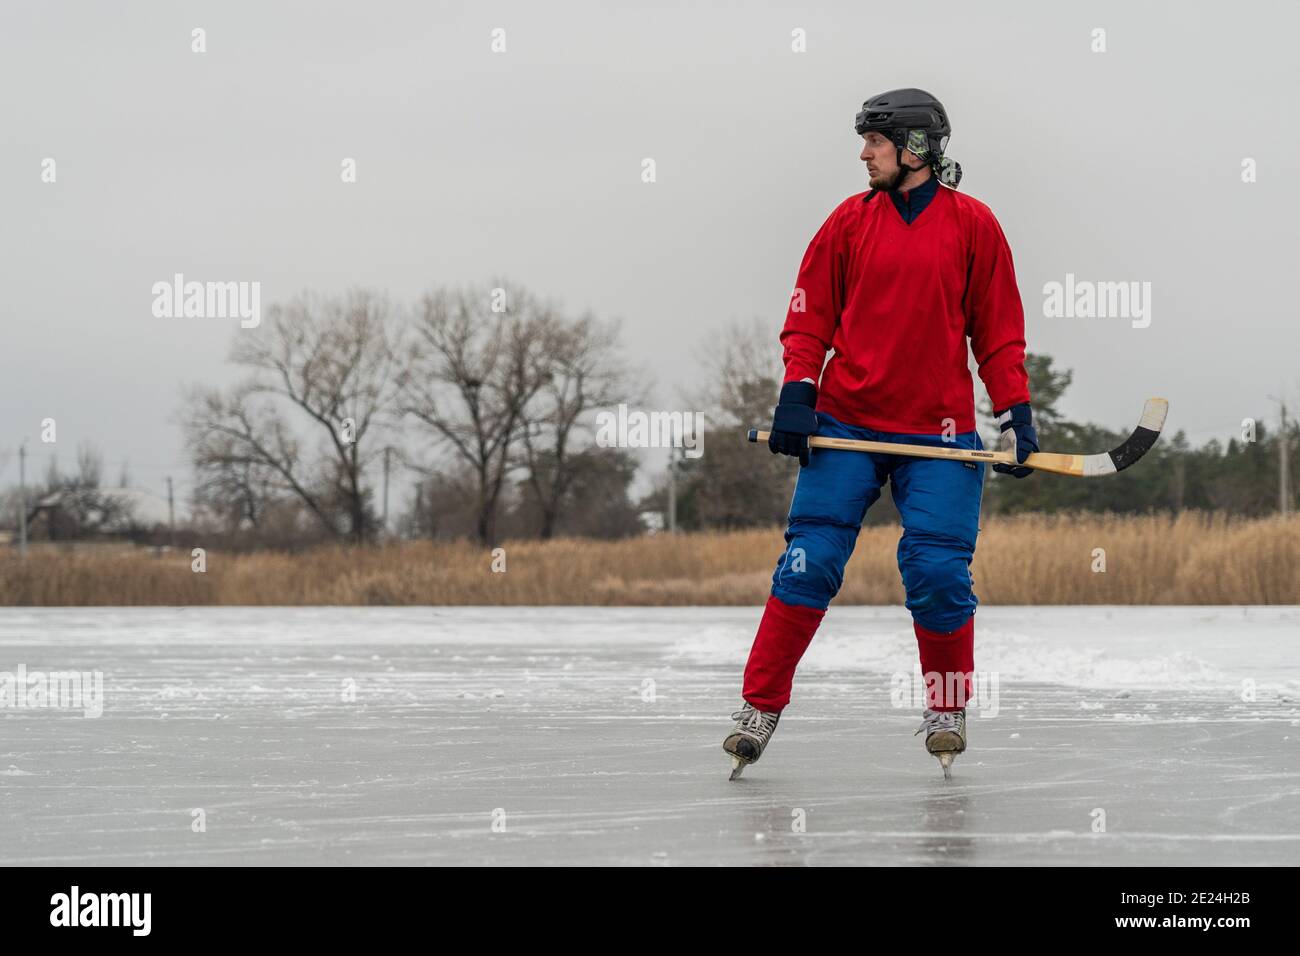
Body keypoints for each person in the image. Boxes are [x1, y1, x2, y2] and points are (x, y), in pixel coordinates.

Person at [723, 88, 1039, 780]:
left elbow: (998, 333)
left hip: (941, 433)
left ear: (915, 147)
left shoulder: (974, 226)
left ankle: (946, 707)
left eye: (875, 141)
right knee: (809, 563)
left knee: (937, 572)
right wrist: (798, 394)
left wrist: (1016, 412)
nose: (864, 153)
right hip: (845, 423)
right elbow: (808, 318)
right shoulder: (847, 223)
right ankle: (759, 705)